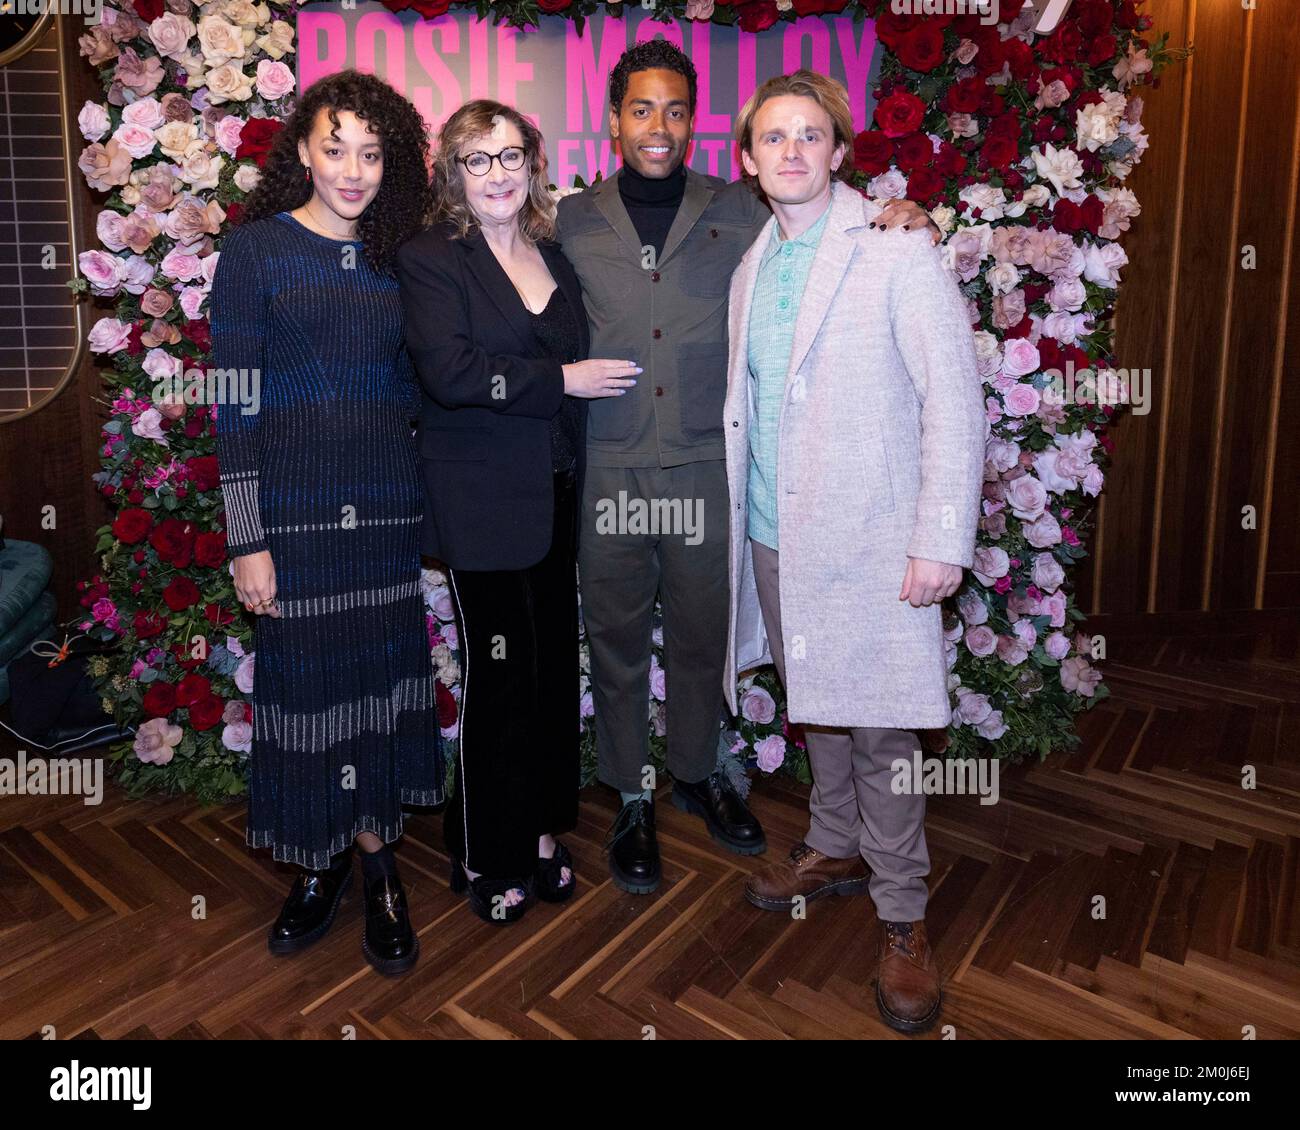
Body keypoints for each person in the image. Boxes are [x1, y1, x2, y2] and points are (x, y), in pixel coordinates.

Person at [555, 40, 934, 895]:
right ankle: (631, 795)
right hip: (611, 468)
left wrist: (912, 212)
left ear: (698, 124)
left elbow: (837, 229)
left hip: (707, 471)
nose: (659, 126)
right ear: (614, 120)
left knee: (701, 636)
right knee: (614, 643)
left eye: (677, 109)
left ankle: (695, 771)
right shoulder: (571, 220)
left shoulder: (746, 206)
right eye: (641, 109)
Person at [723, 71, 986, 1032]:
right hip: (772, 536)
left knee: (880, 729)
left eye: (810, 135)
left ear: (839, 151)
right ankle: (833, 844)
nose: (791, 151)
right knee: (817, 704)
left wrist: (938, 540)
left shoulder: (895, 246)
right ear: (749, 163)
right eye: (772, 138)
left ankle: (906, 918)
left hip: (874, 543)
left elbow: (953, 401)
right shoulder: (753, 261)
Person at [212, 71, 443, 975]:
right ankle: (317, 867)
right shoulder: (256, 253)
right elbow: (234, 404)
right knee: (307, 693)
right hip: (294, 519)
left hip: (384, 510)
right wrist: (245, 536)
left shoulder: (401, 255)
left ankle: (380, 865)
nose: (353, 169)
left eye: (372, 152)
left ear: (391, 164)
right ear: (302, 151)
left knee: (381, 685)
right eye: (335, 147)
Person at [396, 101, 638, 925]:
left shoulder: (554, 252)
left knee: (544, 677)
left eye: (509, 157)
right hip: (481, 508)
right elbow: (452, 373)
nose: (496, 175)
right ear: (452, 173)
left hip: (559, 496)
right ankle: (484, 853)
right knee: (498, 680)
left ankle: (537, 830)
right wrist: (560, 382)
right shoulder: (431, 258)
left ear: (534, 162)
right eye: (477, 159)